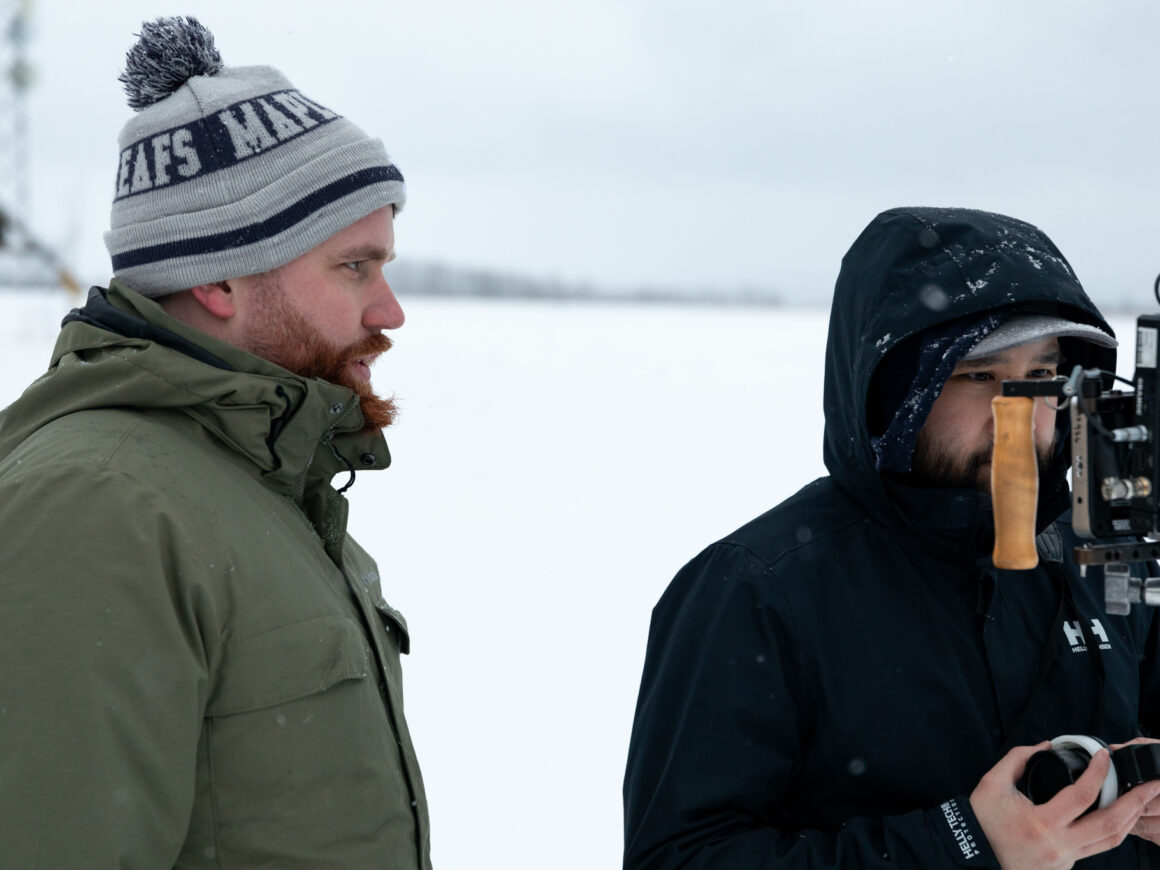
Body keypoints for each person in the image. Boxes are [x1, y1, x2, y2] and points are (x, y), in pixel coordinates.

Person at [0, 17, 430, 869]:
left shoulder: (254, 481)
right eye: (355, 267)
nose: (390, 311)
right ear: (219, 277)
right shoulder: (99, 509)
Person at [623, 206, 1160, 869]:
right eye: (979, 376)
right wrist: (965, 846)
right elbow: (680, 859)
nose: (1020, 417)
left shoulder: (1104, 562)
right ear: (896, 390)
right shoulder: (760, 591)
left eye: (1042, 374)